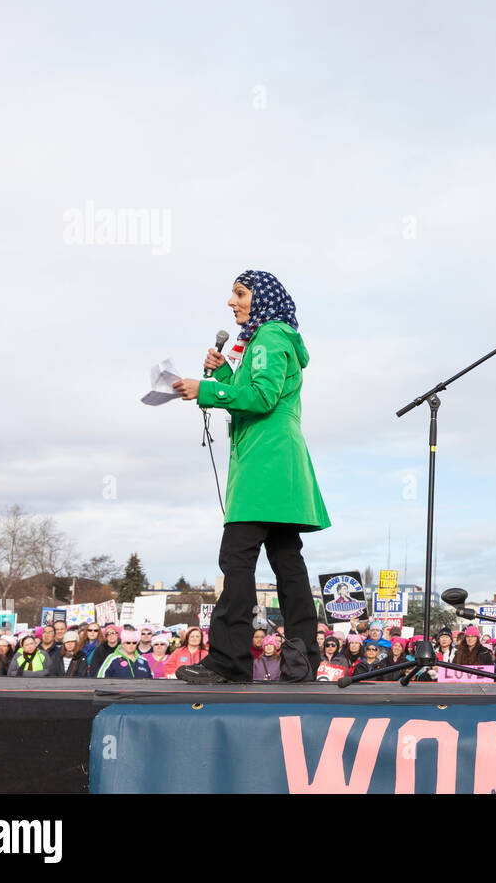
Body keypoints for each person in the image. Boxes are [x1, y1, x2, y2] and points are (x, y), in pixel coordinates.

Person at [172, 270, 330, 684]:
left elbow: (260, 398)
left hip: (264, 467)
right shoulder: (271, 340)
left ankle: (228, 661)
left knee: (237, 561)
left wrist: (205, 389)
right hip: (280, 468)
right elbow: (257, 394)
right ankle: (302, 660)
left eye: (240, 294)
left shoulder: (269, 337)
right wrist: (224, 375)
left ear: (260, 299)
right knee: (287, 563)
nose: (231, 302)